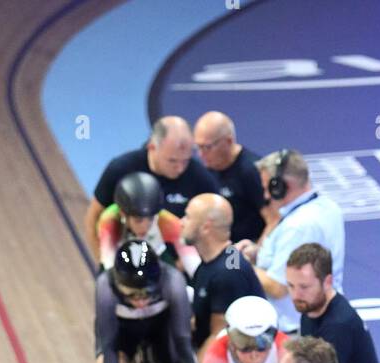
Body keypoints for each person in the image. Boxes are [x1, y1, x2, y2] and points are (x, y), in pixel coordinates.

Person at [235, 151, 345, 331]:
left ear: (280, 186)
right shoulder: (327, 206)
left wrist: (242, 264)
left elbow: (278, 287)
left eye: (266, 188)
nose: (266, 196)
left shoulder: (298, 227)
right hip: (316, 318)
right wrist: (259, 254)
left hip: (294, 327)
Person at [84, 117, 218, 264]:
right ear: (152, 147)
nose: (180, 168)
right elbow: (93, 218)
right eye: (172, 160)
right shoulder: (120, 169)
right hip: (123, 258)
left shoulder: (201, 180)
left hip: (172, 262)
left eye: (185, 160)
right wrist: (103, 265)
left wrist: (181, 268)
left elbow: (213, 231)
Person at [285, 244, 380, 363]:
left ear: (327, 282)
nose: (296, 295)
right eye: (291, 285)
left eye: (304, 286)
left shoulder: (339, 325)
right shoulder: (309, 306)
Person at [181, 194, 263, 359]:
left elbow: (218, 337)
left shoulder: (228, 273)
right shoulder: (212, 263)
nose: (181, 222)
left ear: (206, 227)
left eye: (187, 217)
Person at [96, 172, 200, 279]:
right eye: (138, 220)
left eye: (150, 219)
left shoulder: (168, 222)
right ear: (123, 214)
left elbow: (195, 267)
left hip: (156, 250)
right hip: (122, 251)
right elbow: (108, 265)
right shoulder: (109, 220)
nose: (145, 227)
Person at [192, 111, 265, 244]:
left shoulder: (252, 171)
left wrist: (256, 253)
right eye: (198, 147)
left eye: (207, 147)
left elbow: (274, 219)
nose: (201, 154)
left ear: (229, 141)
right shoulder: (204, 170)